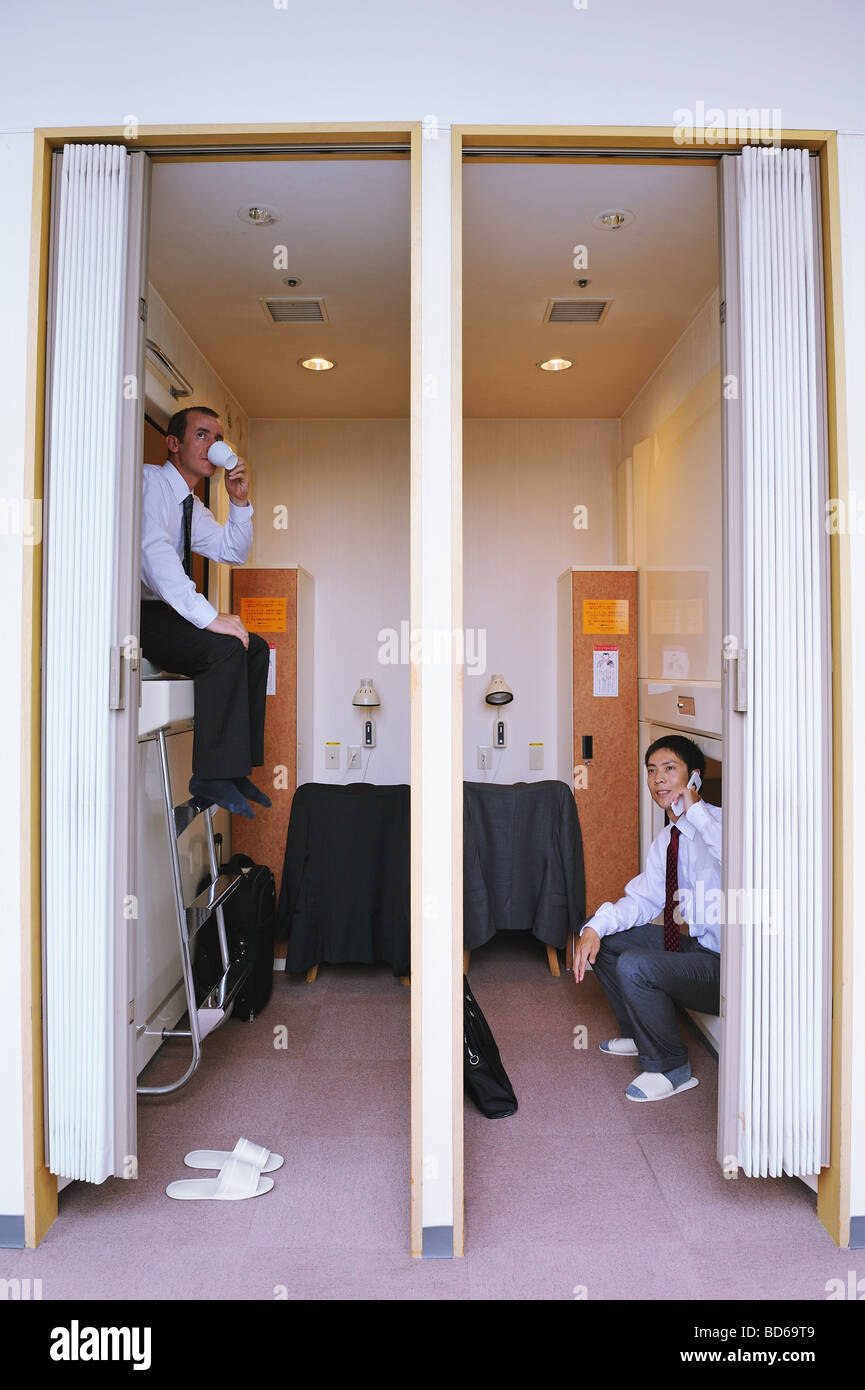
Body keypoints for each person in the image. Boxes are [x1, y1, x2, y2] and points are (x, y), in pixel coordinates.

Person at [573, 735, 721, 1102]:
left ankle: (671, 1068)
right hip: (700, 951)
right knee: (606, 934)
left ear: (694, 778)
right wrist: (593, 928)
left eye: (670, 769)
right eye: (652, 771)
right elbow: (642, 899)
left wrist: (698, 810)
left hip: (732, 969)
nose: (658, 779)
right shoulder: (669, 839)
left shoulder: (722, 825)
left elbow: (745, 866)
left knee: (637, 965)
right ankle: (640, 1035)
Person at [139, 405, 271, 818]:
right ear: (174, 443)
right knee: (225, 648)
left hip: (168, 613)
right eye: (201, 435)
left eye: (216, 438)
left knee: (255, 647)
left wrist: (240, 503)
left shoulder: (191, 506)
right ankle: (210, 776)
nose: (212, 444)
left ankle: (233, 772)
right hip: (138, 617)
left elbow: (233, 550)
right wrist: (211, 617)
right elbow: (154, 557)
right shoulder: (147, 484)